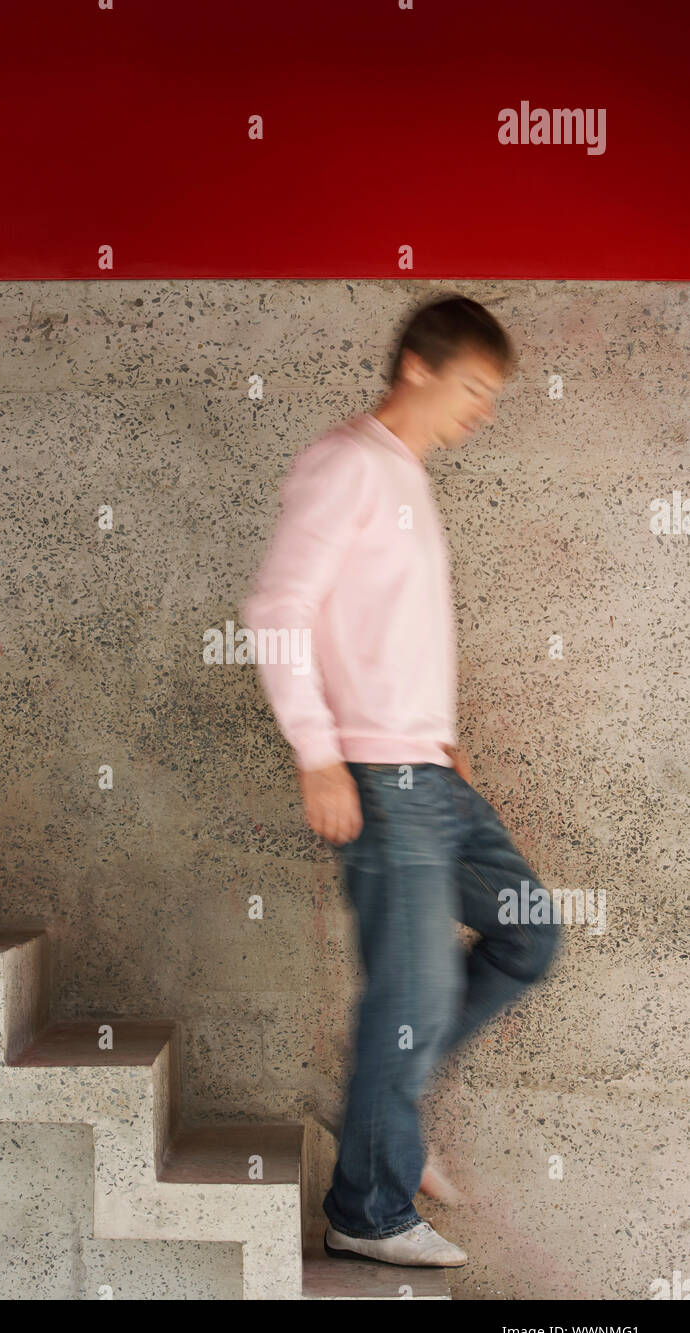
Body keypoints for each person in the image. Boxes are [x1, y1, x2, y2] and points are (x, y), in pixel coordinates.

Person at [240, 296, 561, 1268]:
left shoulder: (403, 475)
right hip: (379, 779)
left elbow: (382, 632)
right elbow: (275, 608)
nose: (482, 410)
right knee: (409, 993)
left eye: (490, 396)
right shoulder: (347, 463)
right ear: (415, 368)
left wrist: (440, 736)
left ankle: (391, 1106)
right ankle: (367, 1208)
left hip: (428, 771)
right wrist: (315, 751)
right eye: (471, 387)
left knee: (527, 932)